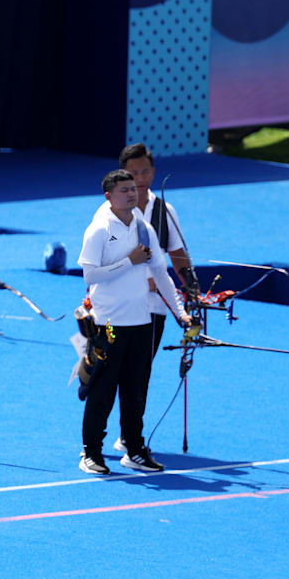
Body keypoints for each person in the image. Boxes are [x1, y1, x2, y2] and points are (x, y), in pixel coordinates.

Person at [77, 170, 191, 475]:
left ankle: (134, 448)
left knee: (136, 387)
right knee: (103, 388)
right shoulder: (99, 230)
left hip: (141, 321)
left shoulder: (145, 229)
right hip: (108, 323)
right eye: (124, 190)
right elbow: (90, 275)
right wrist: (129, 260)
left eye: (133, 189)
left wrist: (180, 313)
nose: (132, 194)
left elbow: (162, 275)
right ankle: (91, 452)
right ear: (109, 197)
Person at [115, 143, 199, 453]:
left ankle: (129, 435)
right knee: (110, 371)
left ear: (154, 172)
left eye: (145, 171)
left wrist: (191, 292)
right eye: (133, 173)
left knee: (140, 372)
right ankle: (95, 440)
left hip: (153, 308)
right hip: (118, 304)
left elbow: (177, 255)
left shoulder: (165, 210)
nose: (140, 178)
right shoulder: (113, 211)